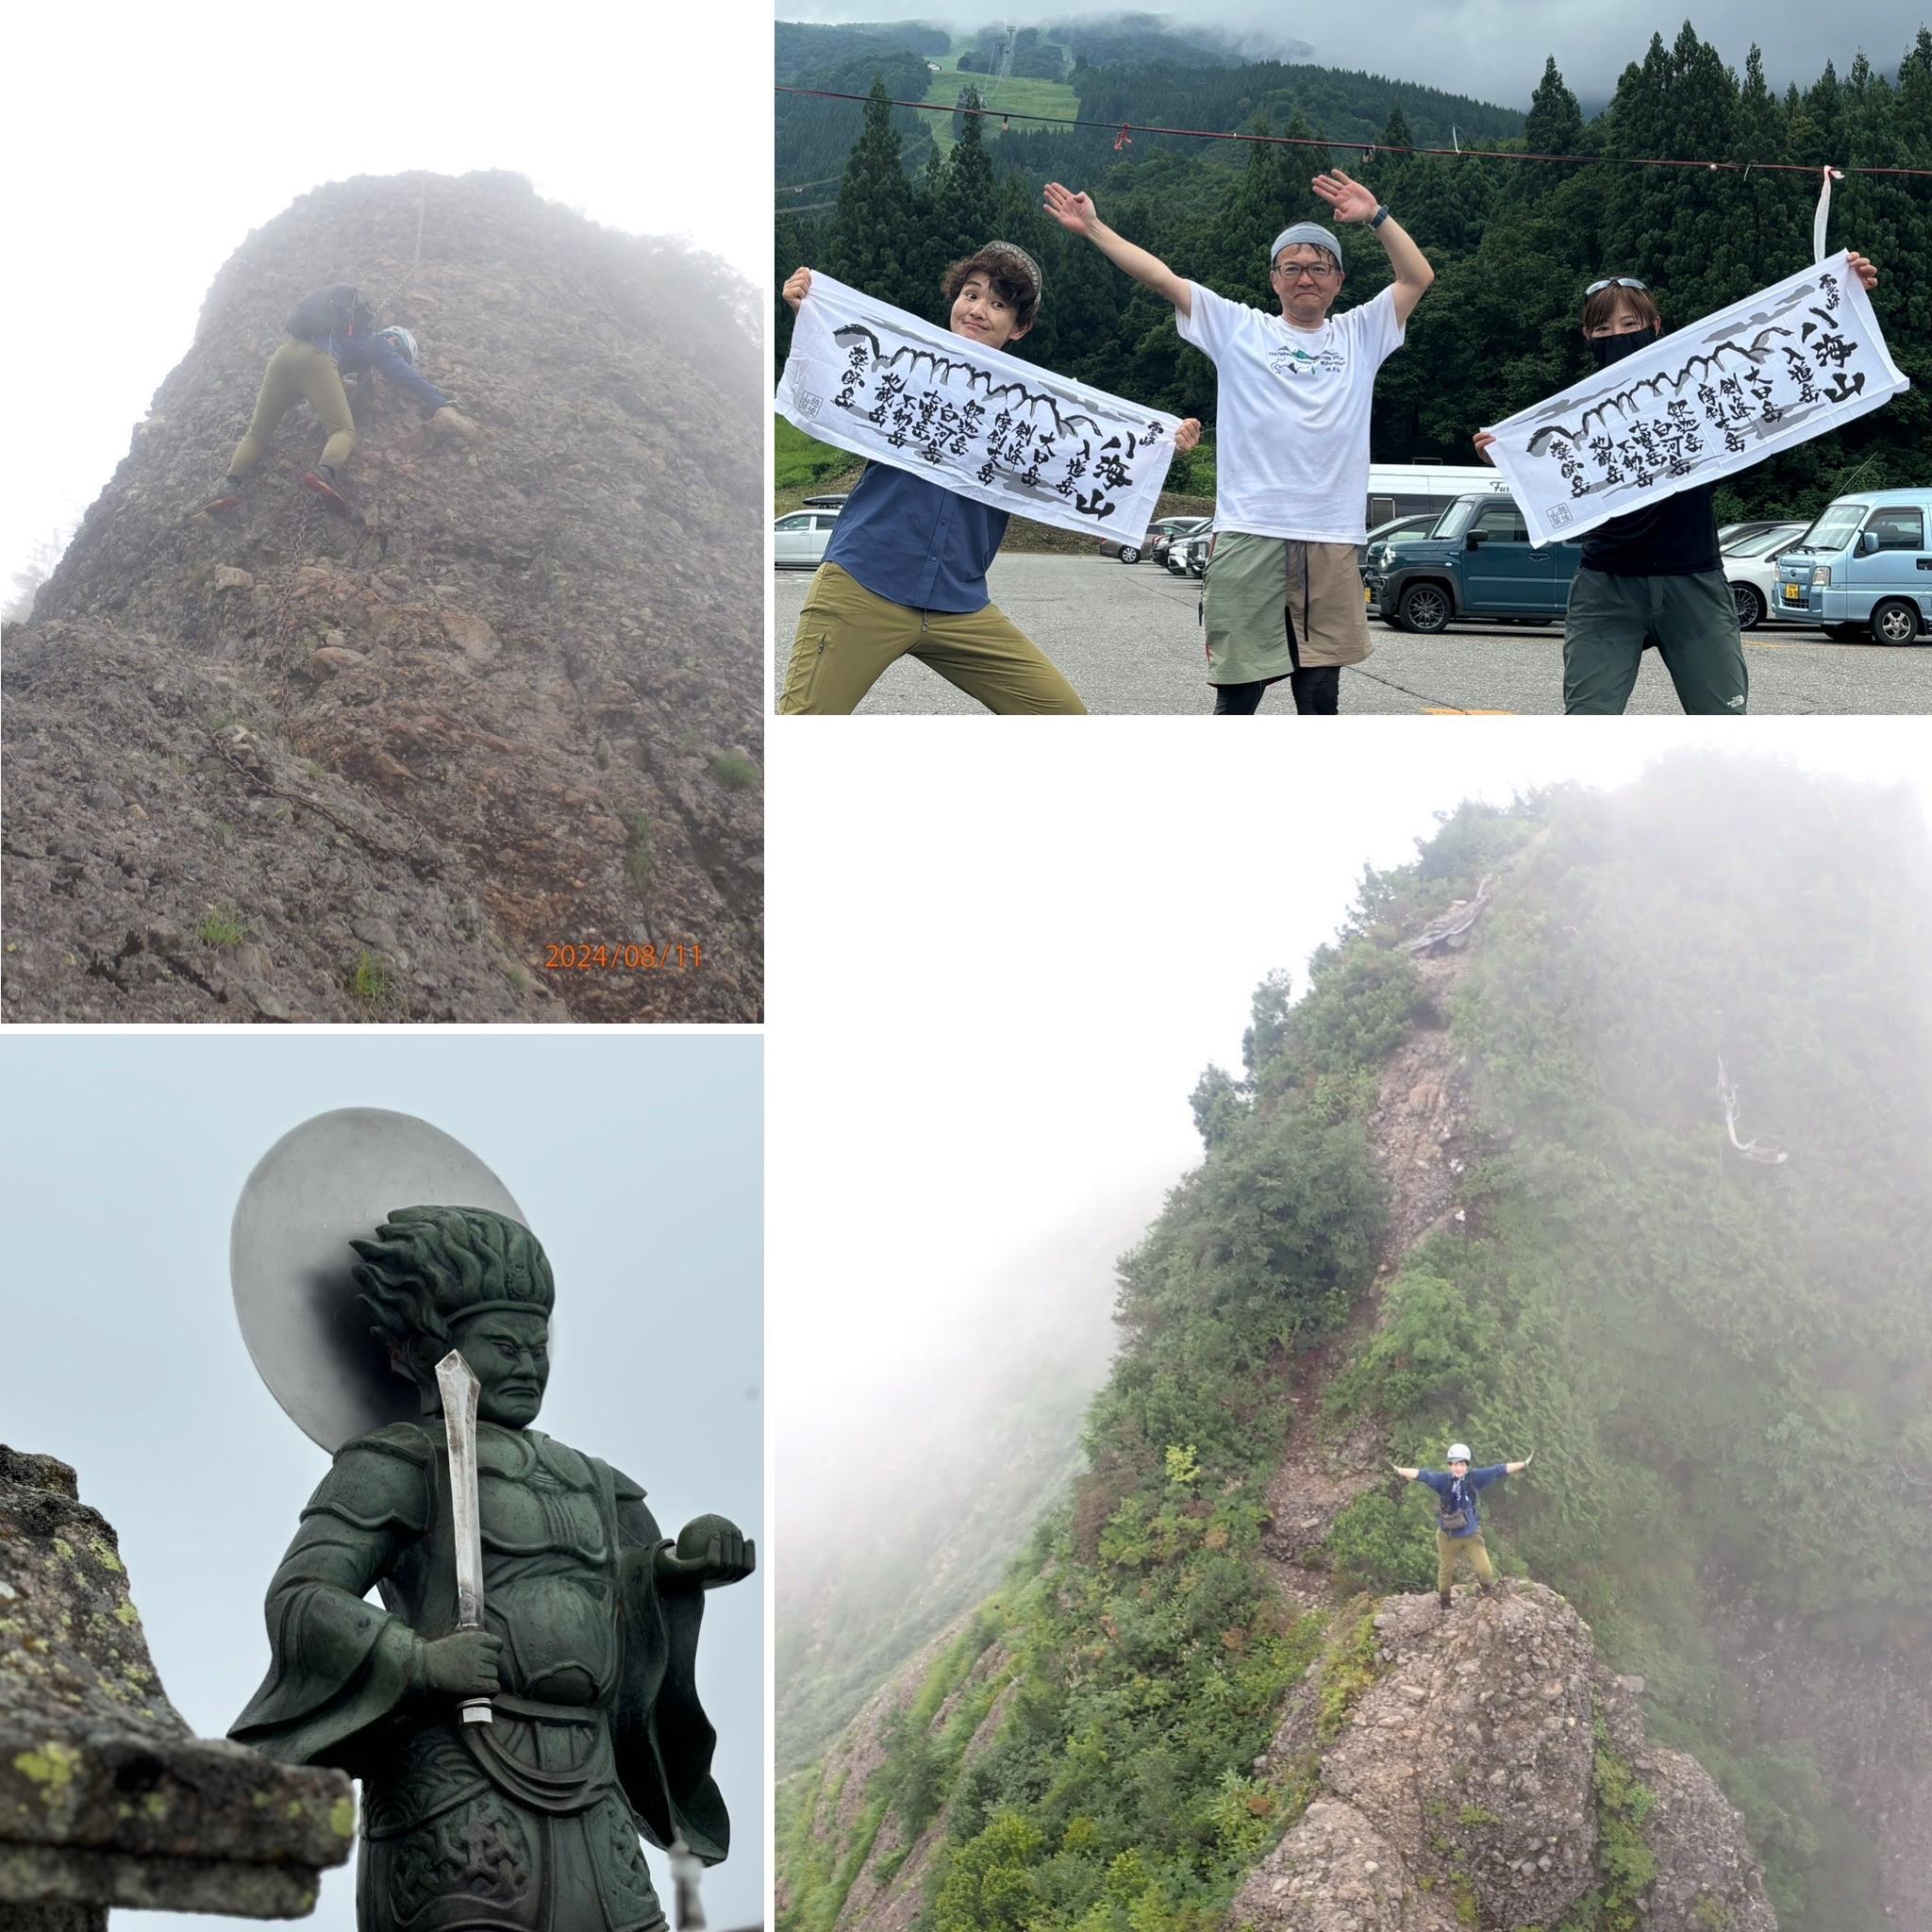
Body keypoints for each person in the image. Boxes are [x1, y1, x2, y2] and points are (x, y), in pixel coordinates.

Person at [231, 1207, 754, 1932]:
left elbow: (626, 1587)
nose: (527, 1363)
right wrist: (419, 1661)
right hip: (456, 1775)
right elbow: (303, 1596)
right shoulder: (398, 1462)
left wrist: (675, 1568)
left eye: (538, 1346)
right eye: (502, 1345)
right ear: (427, 1351)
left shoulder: (594, 1482)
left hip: (591, 1777)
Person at [1045, 168, 1434, 714]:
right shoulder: (1240, 328)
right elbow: (1163, 278)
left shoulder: (1361, 333)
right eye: (1293, 268)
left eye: (1319, 269)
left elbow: (1417, 277)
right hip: (1249, 531)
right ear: (1273, 279)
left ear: (1338, 281)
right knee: (1239, 691)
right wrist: (1093, 228)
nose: (1306, 279)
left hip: (1332, 535)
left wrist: (1376, 217)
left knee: (1321, 692)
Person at [778, 244, 1202, 714]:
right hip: (863, 584)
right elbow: (837, 366)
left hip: (959, 602)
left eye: (999, 304)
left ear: (1019, 327)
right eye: (971, 294)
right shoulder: (903, 368)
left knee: (1065, 717)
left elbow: (1093, 459)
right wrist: (811, 311)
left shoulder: (1036, 413)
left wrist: (1163, 442)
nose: (979, 310)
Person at [1473, 253, 1880, 714]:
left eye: (1630, 324)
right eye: (1603, 330)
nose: (1617, 336)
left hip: (1694, 578)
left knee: (1721, 722)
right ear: (1587, 337)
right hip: (1607, 584)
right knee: (1588, 722)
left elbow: (1783, 365)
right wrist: (1503, 455)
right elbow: (1541, 473)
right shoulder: (1568, 415)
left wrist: (1847, 298)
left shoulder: (1700, 384)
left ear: (1656, 325)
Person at [208, 285, 476, 514]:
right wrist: (440, 402)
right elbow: (407, 377)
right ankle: (324, 473)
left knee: (256, 433)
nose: (396, 358)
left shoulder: (341, 333)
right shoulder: (378, 343)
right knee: (343, 430)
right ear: (397, 343)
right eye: (401, 354)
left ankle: (229, 486)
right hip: (316, 362)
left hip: (283, 357)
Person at [1391, 1442, 1533, 1609]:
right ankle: (1445, 1602)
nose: (1458, 1468)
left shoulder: (1474, 1478)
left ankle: (1486, 1588)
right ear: (1450, 1465)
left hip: (1471, 1535)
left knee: (1485, 1570)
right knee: (1446, 1572)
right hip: (1447, 1536)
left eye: (1462, 1464)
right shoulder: (1442, 1481)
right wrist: (1397, 1469)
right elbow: (1422, 1475)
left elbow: (1499, 1470)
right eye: (1455, 1464)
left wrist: (1523, 1464)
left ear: (1467, 1465)